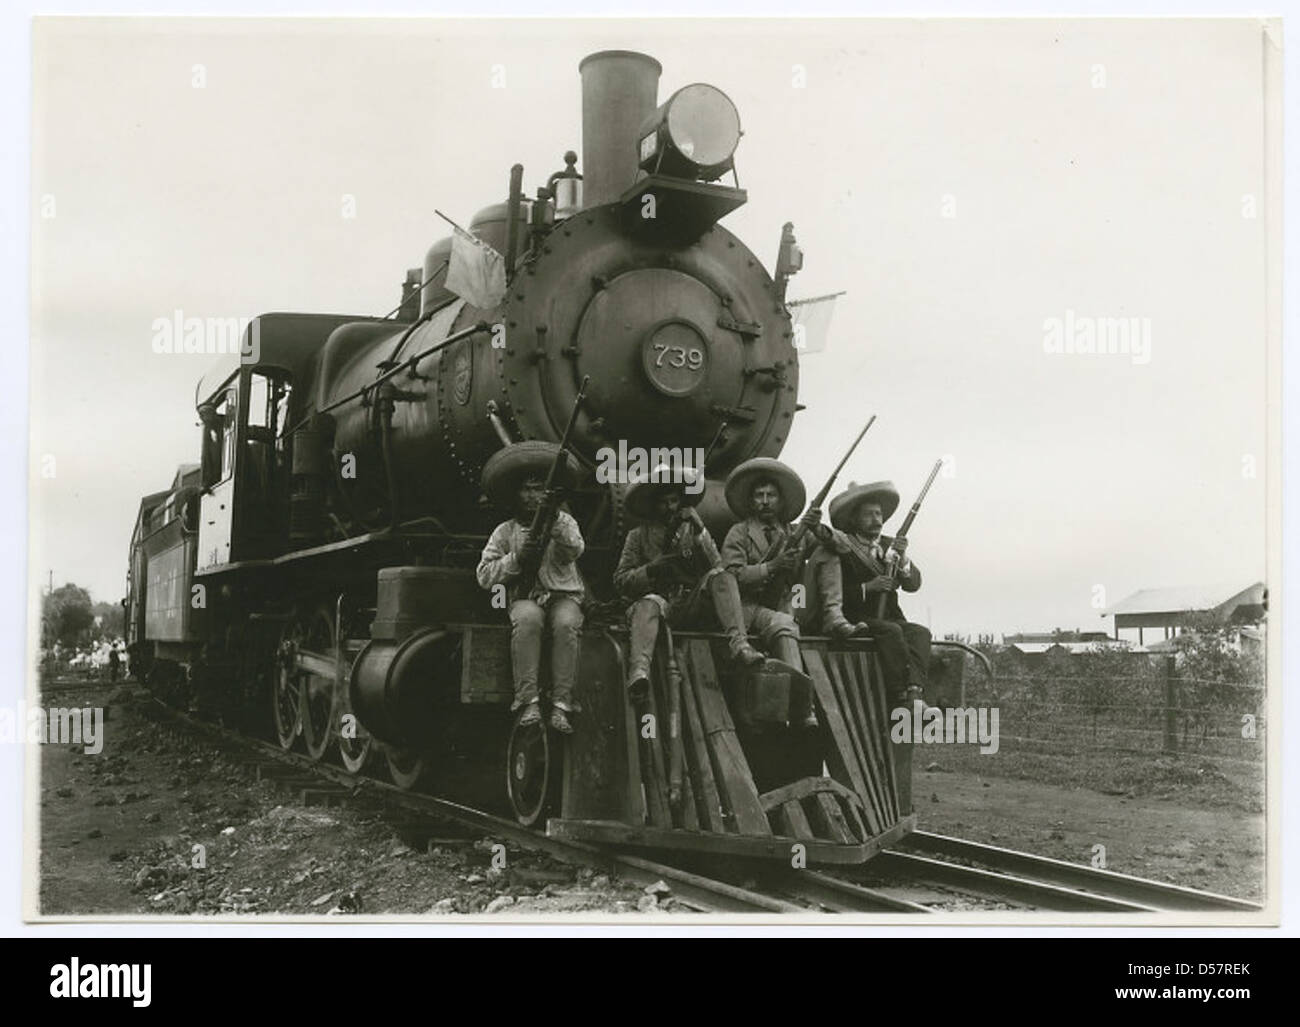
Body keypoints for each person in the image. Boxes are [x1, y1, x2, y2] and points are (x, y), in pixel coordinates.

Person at [613, 463, 764, 698]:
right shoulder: (637, 536)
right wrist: (650, 569)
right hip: (657, 605)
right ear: (654, 505)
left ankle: (740, 645)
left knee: (720, 576)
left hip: (689, 603)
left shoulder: (693, 532)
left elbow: (718, 567)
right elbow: (621, 581)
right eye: (663, 502)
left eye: (674, 501)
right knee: (650, 601)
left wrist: (700, 528)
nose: (669, 507)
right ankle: (639, 671)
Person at [476, 444, 585, 734]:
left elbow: (575, 548)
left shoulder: (564, 522)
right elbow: (484, 575)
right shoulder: (505, 531)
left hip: (564, 596)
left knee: (566, 624)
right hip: (526, 599)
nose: (531, 496)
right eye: (526, 490)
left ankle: (562, 704)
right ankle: (529, 700)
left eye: (538, 490)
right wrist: (516, 559)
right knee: (527, 620)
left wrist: (555, 522)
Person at [719, 457, 828, 728]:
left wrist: (817, 526)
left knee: (785, 623)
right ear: (751, 501)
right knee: (783, 623)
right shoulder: (739, 532)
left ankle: (801, 709)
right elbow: (730, 576)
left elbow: (830, 547)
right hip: (745, 607)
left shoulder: (794, 531)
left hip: (785, 605)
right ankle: (803, 705)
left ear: (781, 500)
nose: (765, 501)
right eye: (759, 495)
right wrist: (771, 567)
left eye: (771, 495)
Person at [809, 480, 931, 707]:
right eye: (869, 515)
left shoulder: (890, 545)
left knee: (920, 633)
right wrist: (869, 587)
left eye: (879, 514)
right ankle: (900, 695)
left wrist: (902, 558)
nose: (877, 520)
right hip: (855, 618)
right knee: (892, 631)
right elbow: (833, 592)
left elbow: (913, 584)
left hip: (888, 617)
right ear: (854, 519)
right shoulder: (843, 545)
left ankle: (915, 691)